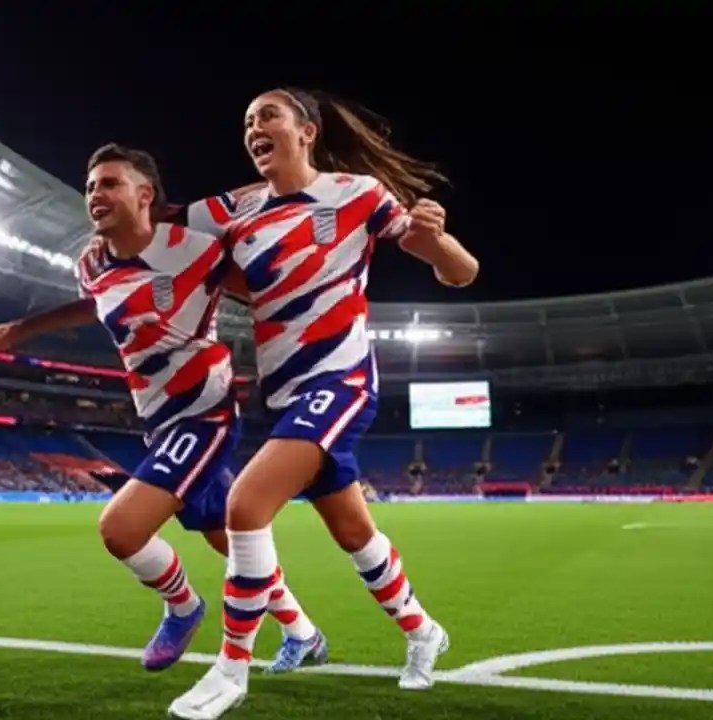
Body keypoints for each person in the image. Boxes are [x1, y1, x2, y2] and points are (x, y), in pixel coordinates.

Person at [166, 88, 479, 720]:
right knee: (355, 533)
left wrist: (437, 240)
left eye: (268, 116)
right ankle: (423, 633)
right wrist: (120, 213)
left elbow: (459, 271)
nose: (254, 127)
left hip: (340, 383)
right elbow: (165, 227)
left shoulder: (356, 193)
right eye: (247, 120)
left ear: (305, 130)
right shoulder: (237, 208)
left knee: (245, 507)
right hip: (281, 397)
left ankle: (231, 670)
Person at [0, 143, 325, 673]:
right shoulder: (91, 263)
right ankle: (303, 633)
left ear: (145, 195)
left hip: (205, 410)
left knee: (120, 530)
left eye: (111, 183)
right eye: (92, 185)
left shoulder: (193, 248)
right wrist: (25, 329)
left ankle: (182, 606)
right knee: (230, 539)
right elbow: (94, 303)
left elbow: (265, 293)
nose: (96, 193)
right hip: (158, 419)